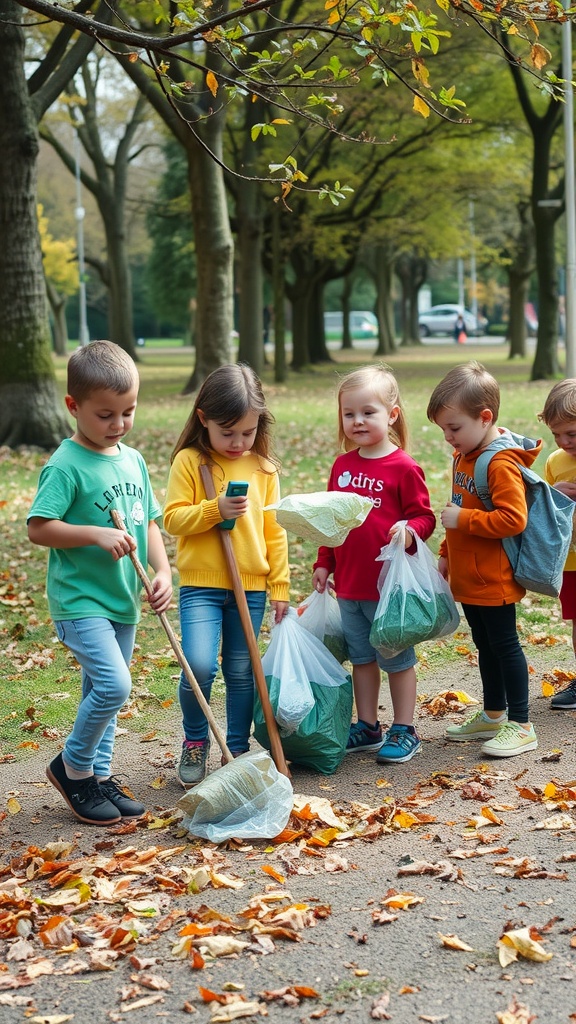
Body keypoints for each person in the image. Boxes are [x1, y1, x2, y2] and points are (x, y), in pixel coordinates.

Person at [27, 341, 173, 826]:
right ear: (73, 407)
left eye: (128, 412)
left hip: (120, 600)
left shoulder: (131, 460)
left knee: (102, 690)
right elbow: (39, 527)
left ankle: (97, 776)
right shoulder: (66, 464)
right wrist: (94, 533)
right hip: (80, 601)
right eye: (105, 414)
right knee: (113, 686)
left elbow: (149, 522)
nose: (118, 424)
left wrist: (162, 571)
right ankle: (72, 768)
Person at [163, 363, 289, 787]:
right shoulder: (190, 461)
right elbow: (173, 520)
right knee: (198, 665)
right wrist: (215, 509)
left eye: (247, 433)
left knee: (241, 669)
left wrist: (280, 586)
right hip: (201, 584)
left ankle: (234, 748)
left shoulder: (264, 469)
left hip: (249, 586)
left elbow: (275, 531)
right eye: (227, 432)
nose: (238, 442)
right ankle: (196, 740)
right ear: (203, 419)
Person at [312, 365, 436, 764]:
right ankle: (367, 725)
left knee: (396, 662)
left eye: (368, 412)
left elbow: (425, 516)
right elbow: (332, 522)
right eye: (349, 414)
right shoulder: (342, 466)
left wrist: (409, 529)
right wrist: (323, 562)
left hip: (388, 591)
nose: (358, 421)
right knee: (362, 660)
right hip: (349, 587)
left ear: (392, 415)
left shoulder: (403, 467)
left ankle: (404, 728)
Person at [427, 361, 538, 757]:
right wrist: (445, 552)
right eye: (443, 430)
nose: (447, 437)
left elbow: (513, 519)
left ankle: (522, 724)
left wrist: (464, 520)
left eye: (453, 428)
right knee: (484, 643)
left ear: (485, 417)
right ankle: (493, 714)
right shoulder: (464, 455)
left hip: (495, 577)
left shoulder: (499, 461)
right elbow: (457, 505)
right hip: (469, 575)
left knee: (505, 645)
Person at [539, 379, 576, 709]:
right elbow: (544, 510)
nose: (564, 442)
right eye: (557, 435)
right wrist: (553, 496)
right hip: (572, 561)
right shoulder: (555, 462)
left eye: (572, 434)